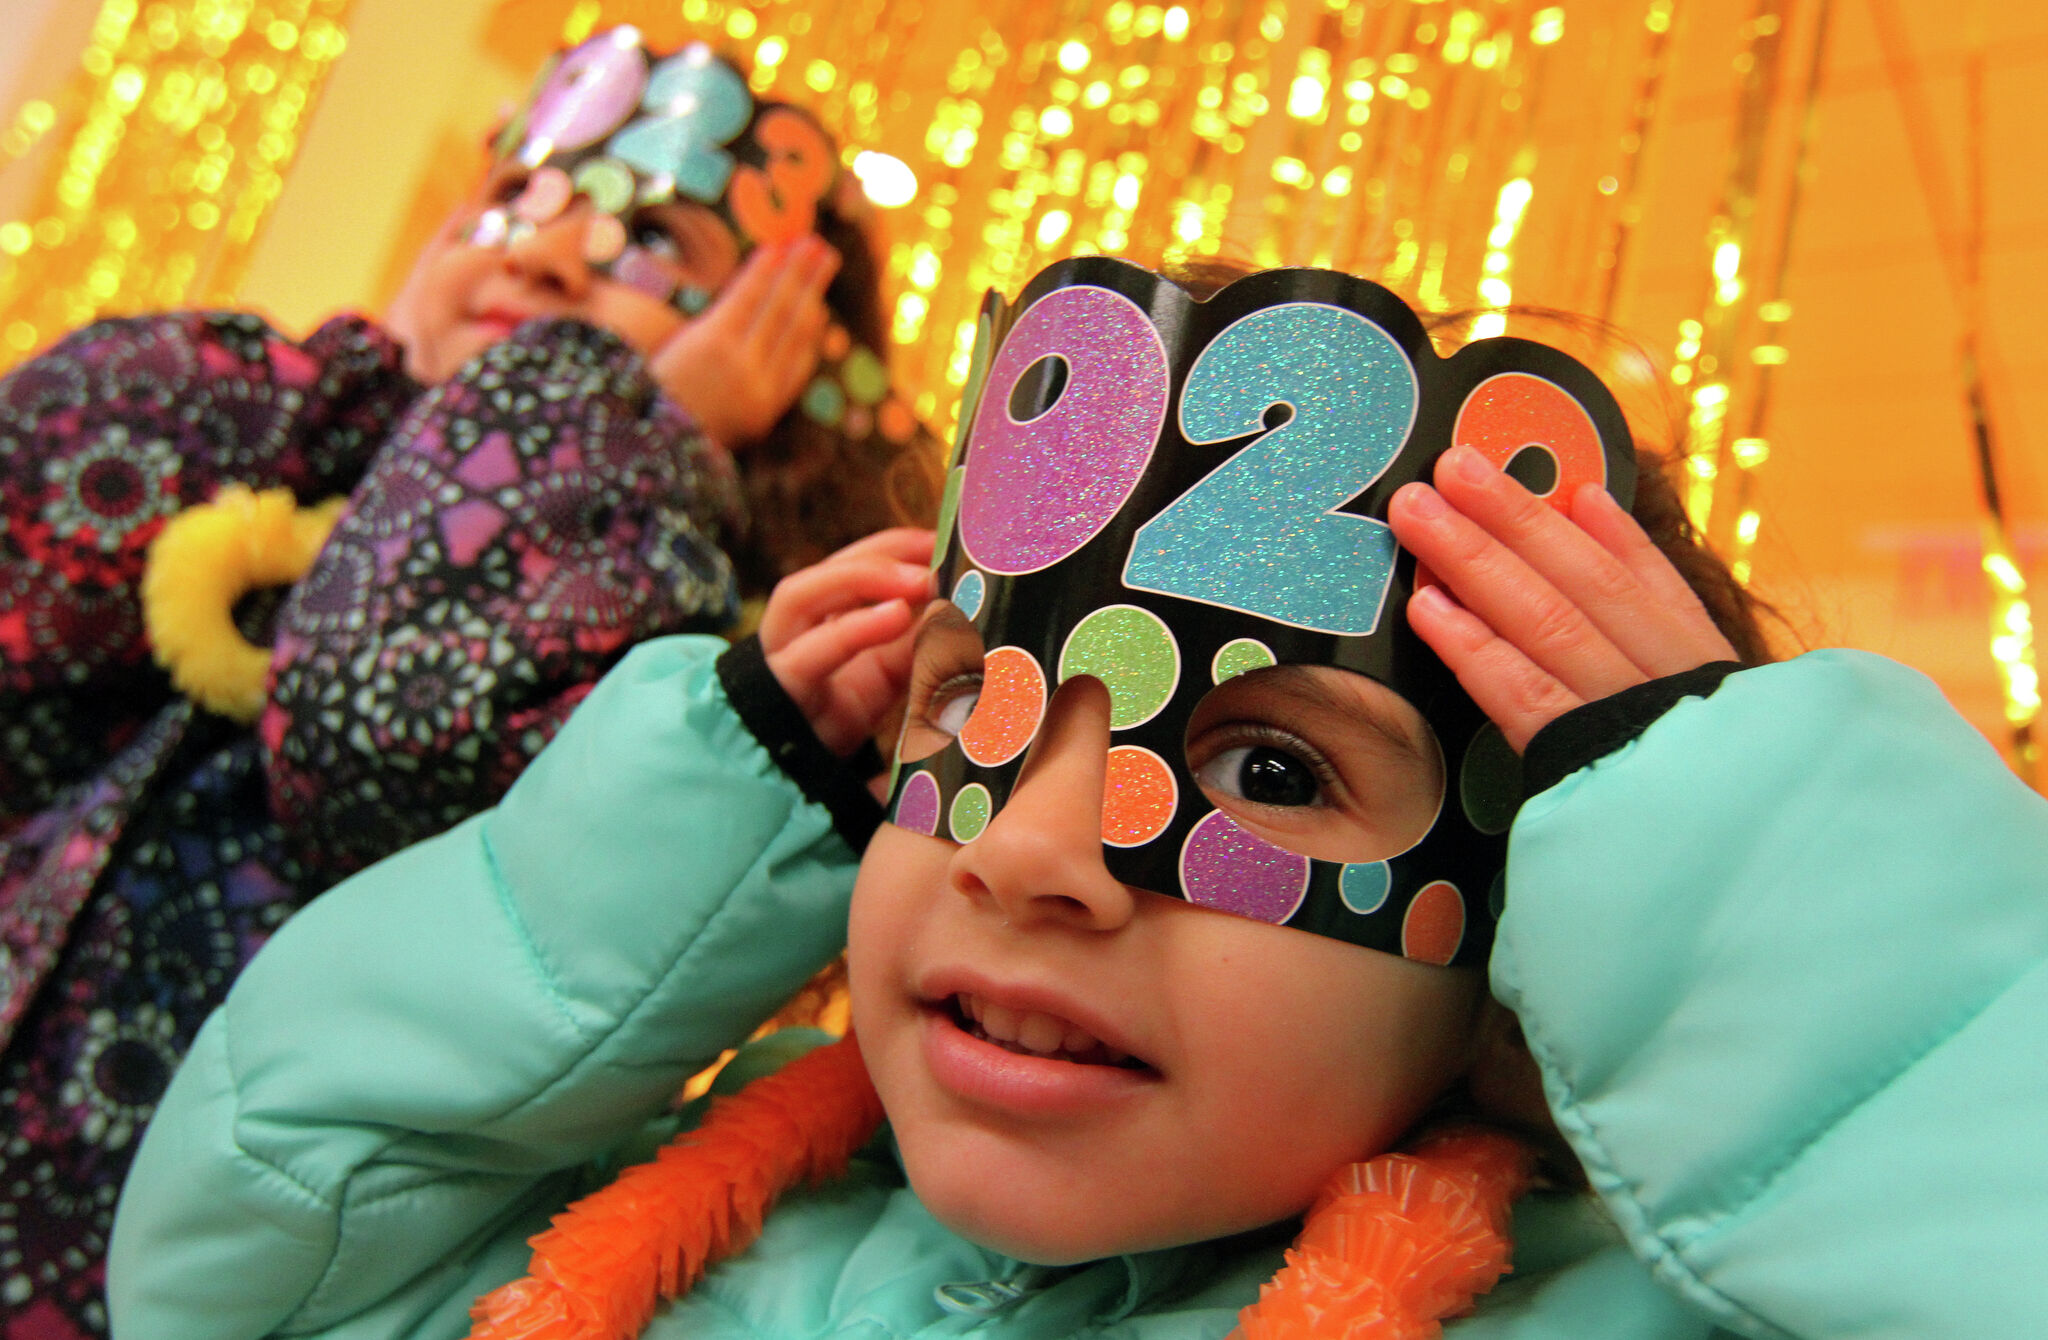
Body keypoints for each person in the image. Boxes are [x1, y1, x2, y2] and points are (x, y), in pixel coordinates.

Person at [108, 258, 2046, 1338]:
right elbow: (247, 1259)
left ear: (1531, 937)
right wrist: (701, 810)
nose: (1032, 851)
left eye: (1269, 770)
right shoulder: (662, 1256)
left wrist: (1731, 830)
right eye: (968, 715)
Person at [0, 29, 931, 1337]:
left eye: (655, 245)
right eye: (508, 199)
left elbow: (395, 747)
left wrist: (622, 421)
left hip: (245, 1249)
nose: (542, 249)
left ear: (781, 345)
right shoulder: (268, 443)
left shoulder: (703, 638)